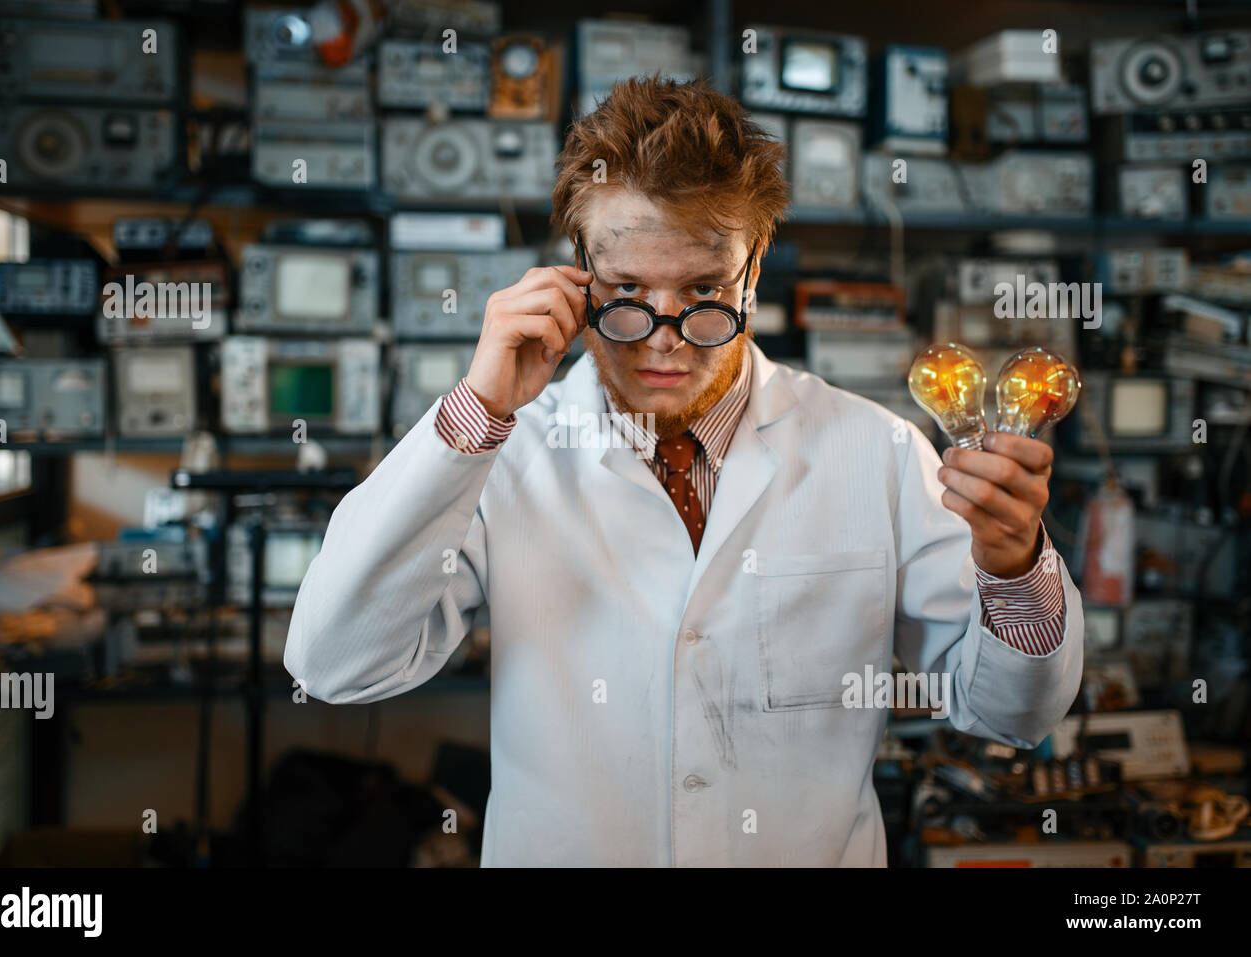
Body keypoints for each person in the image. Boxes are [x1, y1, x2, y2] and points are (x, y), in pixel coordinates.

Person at [284, 77, 1084, 866]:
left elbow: (1009, 712)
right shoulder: (507, 450)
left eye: (703, 291)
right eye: (627, 291)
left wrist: (1014, 567)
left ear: (755, 270)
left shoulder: (872, 451)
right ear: (576, 274)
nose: (663, 339)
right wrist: (474, 408)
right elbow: (336, 662)